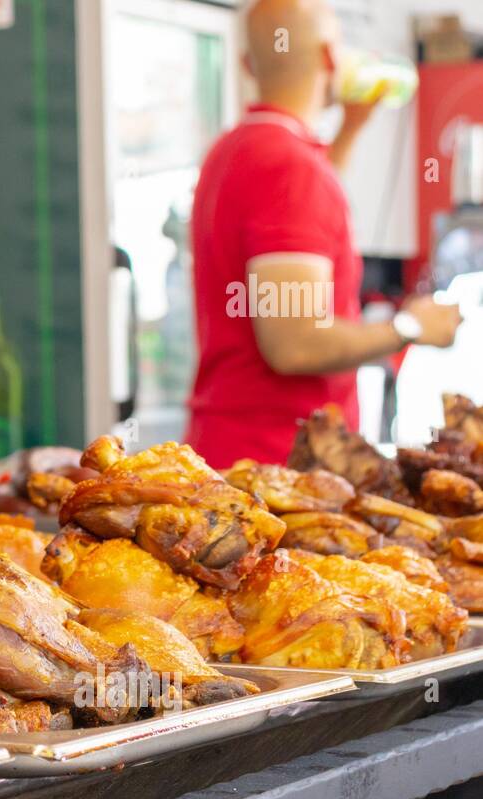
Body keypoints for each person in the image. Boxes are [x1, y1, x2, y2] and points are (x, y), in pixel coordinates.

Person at [184, 0, 461, 468]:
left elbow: (296, 220)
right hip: (278, 472)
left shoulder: (236, 150)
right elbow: (294, 342)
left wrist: (350, 132)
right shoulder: (290, 166)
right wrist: (410, 326)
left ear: (248, 64)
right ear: (331, 59)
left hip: (229, 452)